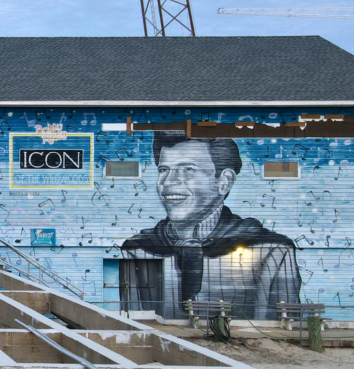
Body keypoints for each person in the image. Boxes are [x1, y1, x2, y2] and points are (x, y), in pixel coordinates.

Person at [120, 133, 301, 319]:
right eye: (164, 170)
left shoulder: (271, 251)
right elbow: (130, 320)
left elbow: (277, 326)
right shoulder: (139, 249)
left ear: (224, 182)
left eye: (188, 170)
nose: (168, 182)